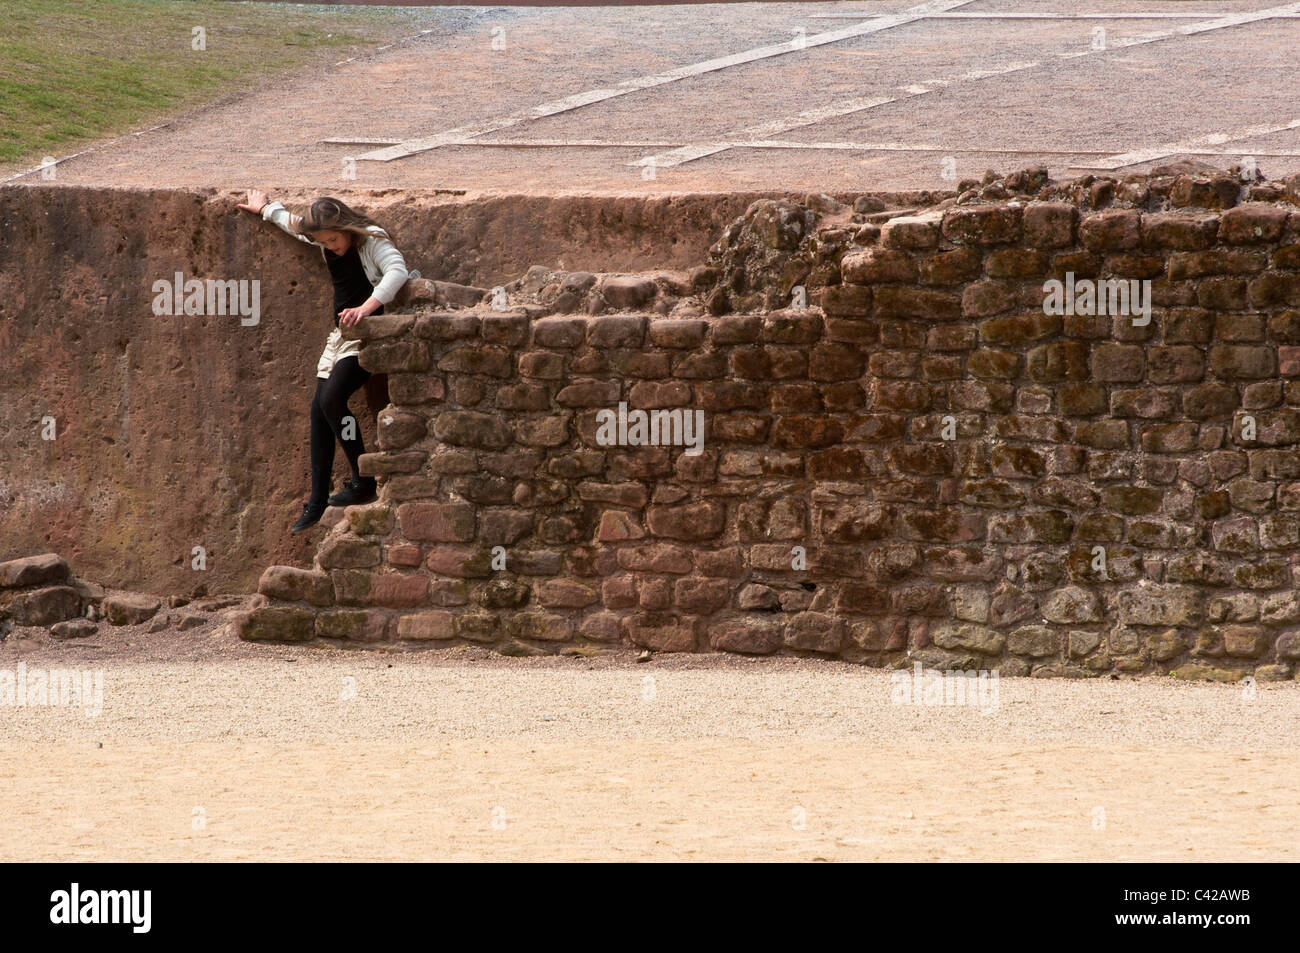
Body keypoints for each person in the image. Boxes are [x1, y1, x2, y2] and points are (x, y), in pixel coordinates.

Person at [237, 190, 410, 532]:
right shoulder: (323, 238)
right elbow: (293, 224)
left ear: (346, 227)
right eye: (324, 242)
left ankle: (363, 481)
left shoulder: (371, 240)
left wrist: (365, 308)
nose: (331, 246)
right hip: (340, 338)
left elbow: (397, 271)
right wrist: (265, 208)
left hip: (370, 334)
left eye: (334, 239)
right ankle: (317, 500)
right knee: (319, 409)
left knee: (332, 399)